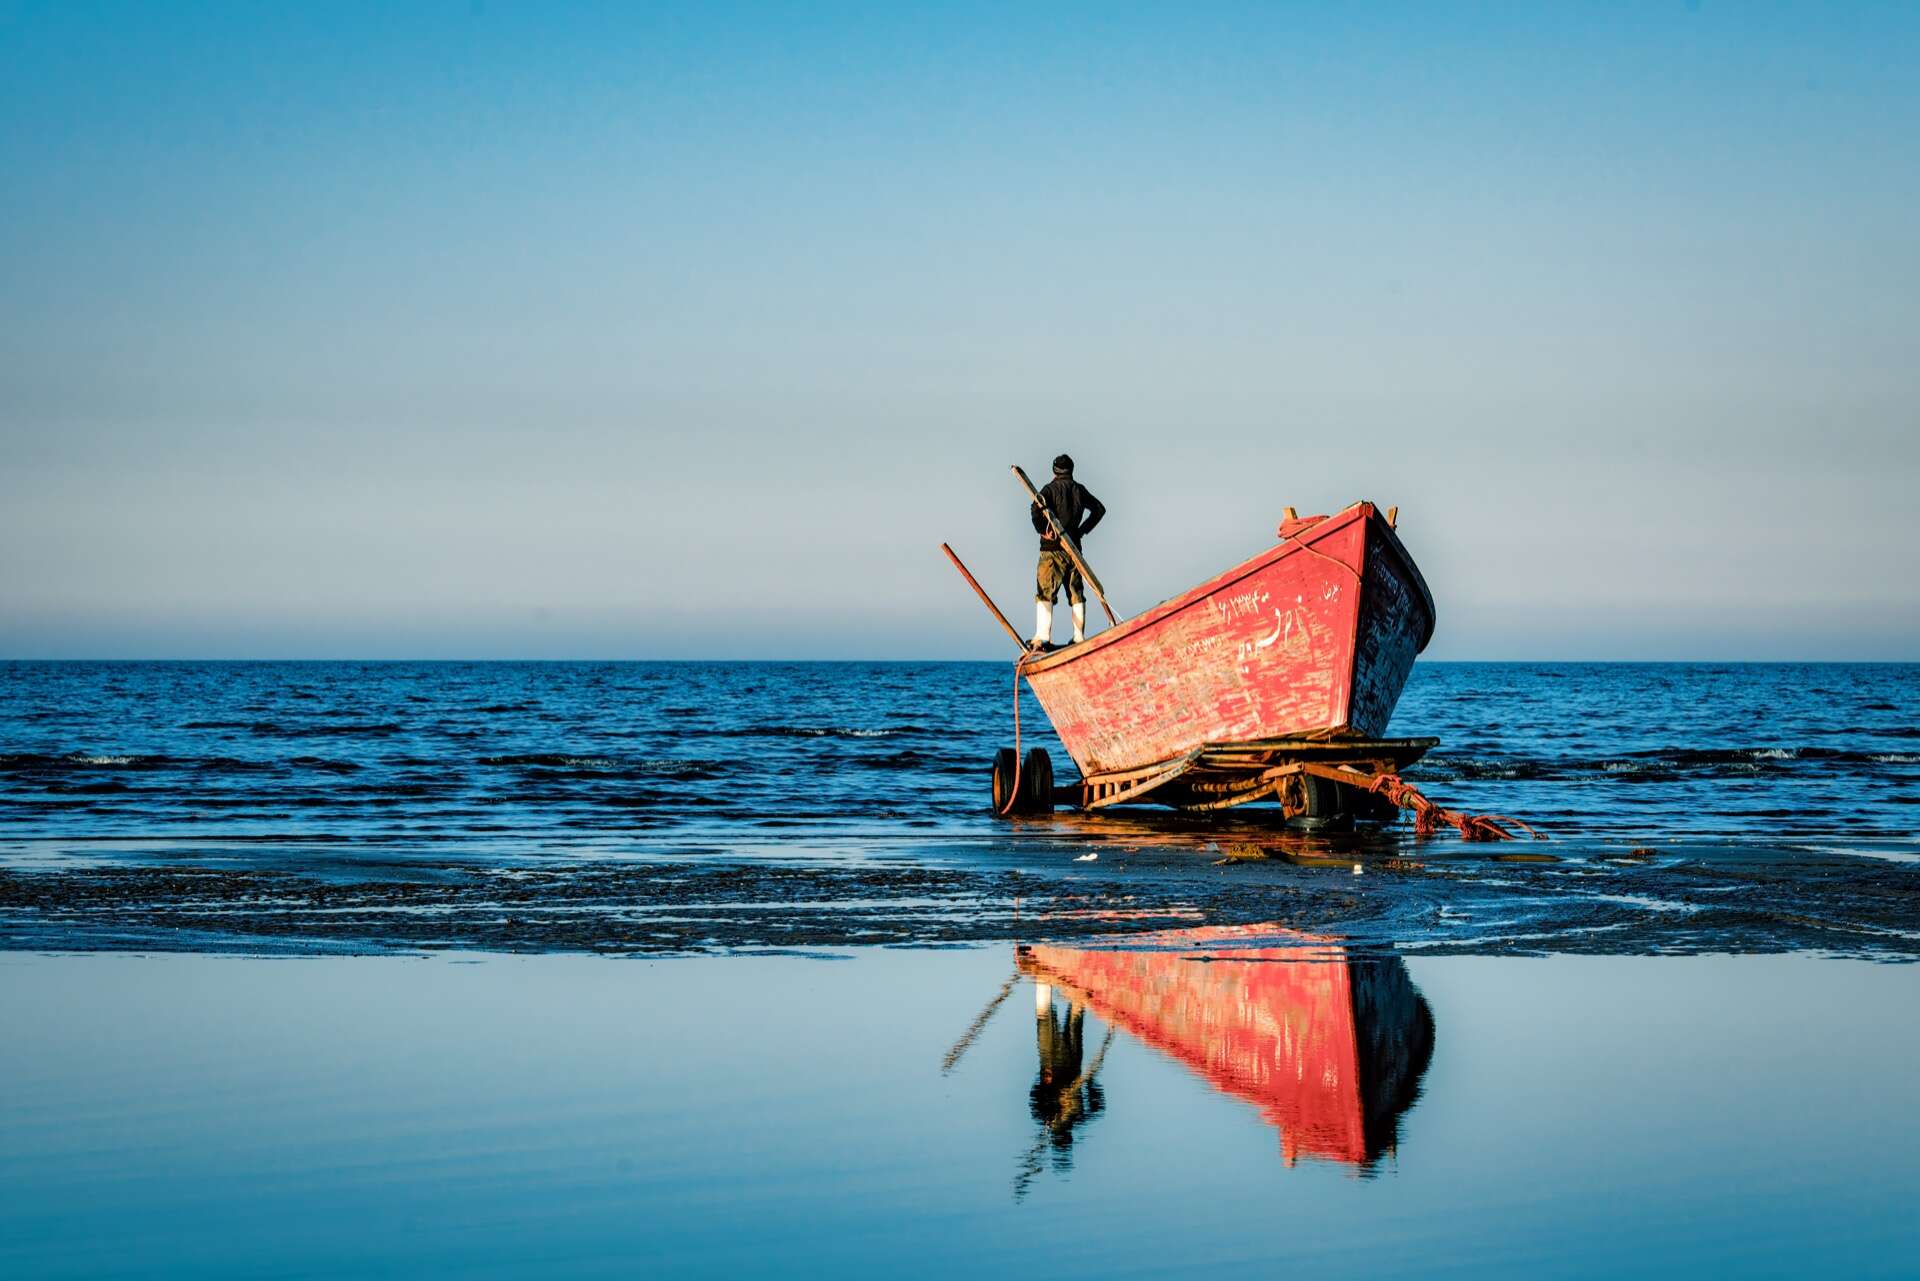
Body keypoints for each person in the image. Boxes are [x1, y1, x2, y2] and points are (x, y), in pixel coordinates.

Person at [1028, 454, 1105, 650]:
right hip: (1074, 550)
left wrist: (1043, 530)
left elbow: (1035, 509)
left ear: (1054, 471)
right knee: (1076, 593)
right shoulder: (1079, 489)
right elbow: (1099, 509)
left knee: (1045, 592)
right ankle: (1079, 637)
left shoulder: (1049, 489)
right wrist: (1082, 530)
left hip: (1051, 550)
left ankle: (1043, 637)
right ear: (1072, 470)